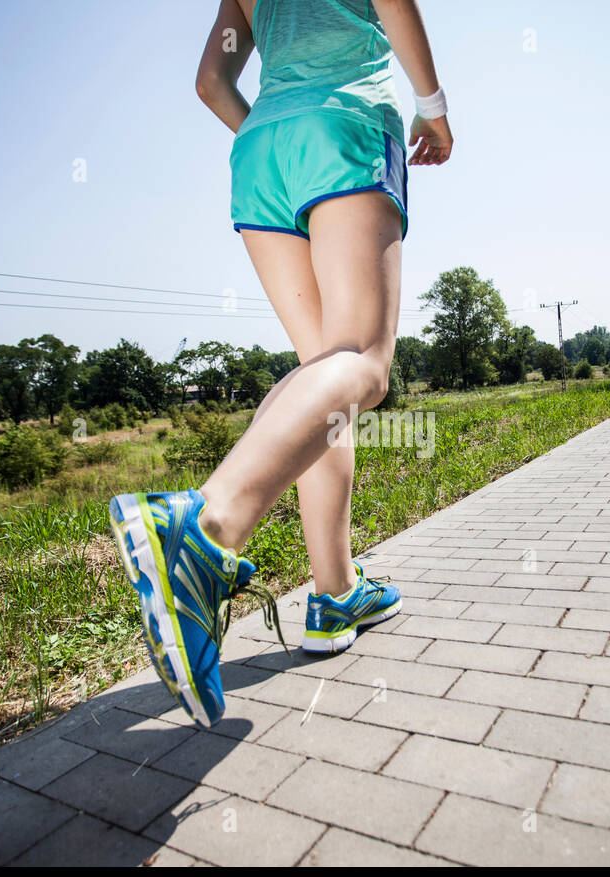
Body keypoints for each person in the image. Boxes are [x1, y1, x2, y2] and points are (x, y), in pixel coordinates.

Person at [108, 0, 452, 728]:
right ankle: (205, 528)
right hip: (347, 126)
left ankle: (333, 593)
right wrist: (435, 110)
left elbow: (210, 81)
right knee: (363, 363)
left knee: (322, 378)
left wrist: (272, 128)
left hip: (262, 150)